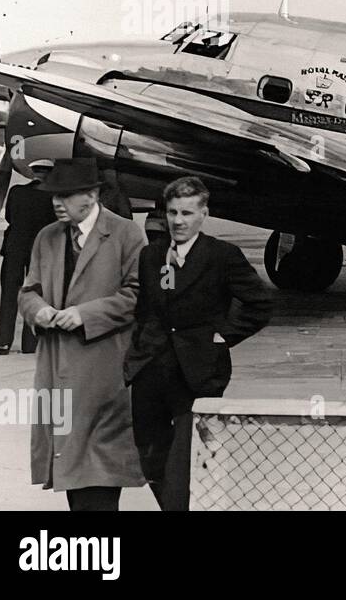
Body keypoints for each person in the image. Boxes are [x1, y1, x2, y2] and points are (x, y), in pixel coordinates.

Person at [124, 176, 272, 511]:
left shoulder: (222, 255)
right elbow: (144, 307)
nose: (178, 221)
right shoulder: (152, 255)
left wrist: (224, 335)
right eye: (173, 212)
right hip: (151, 369)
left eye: (187, 213)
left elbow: (259, 303)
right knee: (150, 455)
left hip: (197, 371)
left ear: (203, 214)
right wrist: (138, 350)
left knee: (186, 457)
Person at [17, 158, 147, 511]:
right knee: (73, 471)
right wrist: (38, 309)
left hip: (103, 372)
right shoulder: (48, 237)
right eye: (53, 195)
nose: (56, 202)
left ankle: (97, 557)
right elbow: (28, 290)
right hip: (57, 369)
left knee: (100, 472)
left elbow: (137, 293)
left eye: (65, 195)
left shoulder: (126, 234)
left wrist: (85, 314)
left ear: (90, 195)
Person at [0, 159, 56, 355]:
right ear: (50, 173)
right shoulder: (54, 197)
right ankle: (30, 344)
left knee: (9, 294)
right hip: (40, 251)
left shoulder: (17, 192)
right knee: (35, 295)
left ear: (32, 171)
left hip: (14, 248)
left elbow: (10, 216)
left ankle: (2, 342)